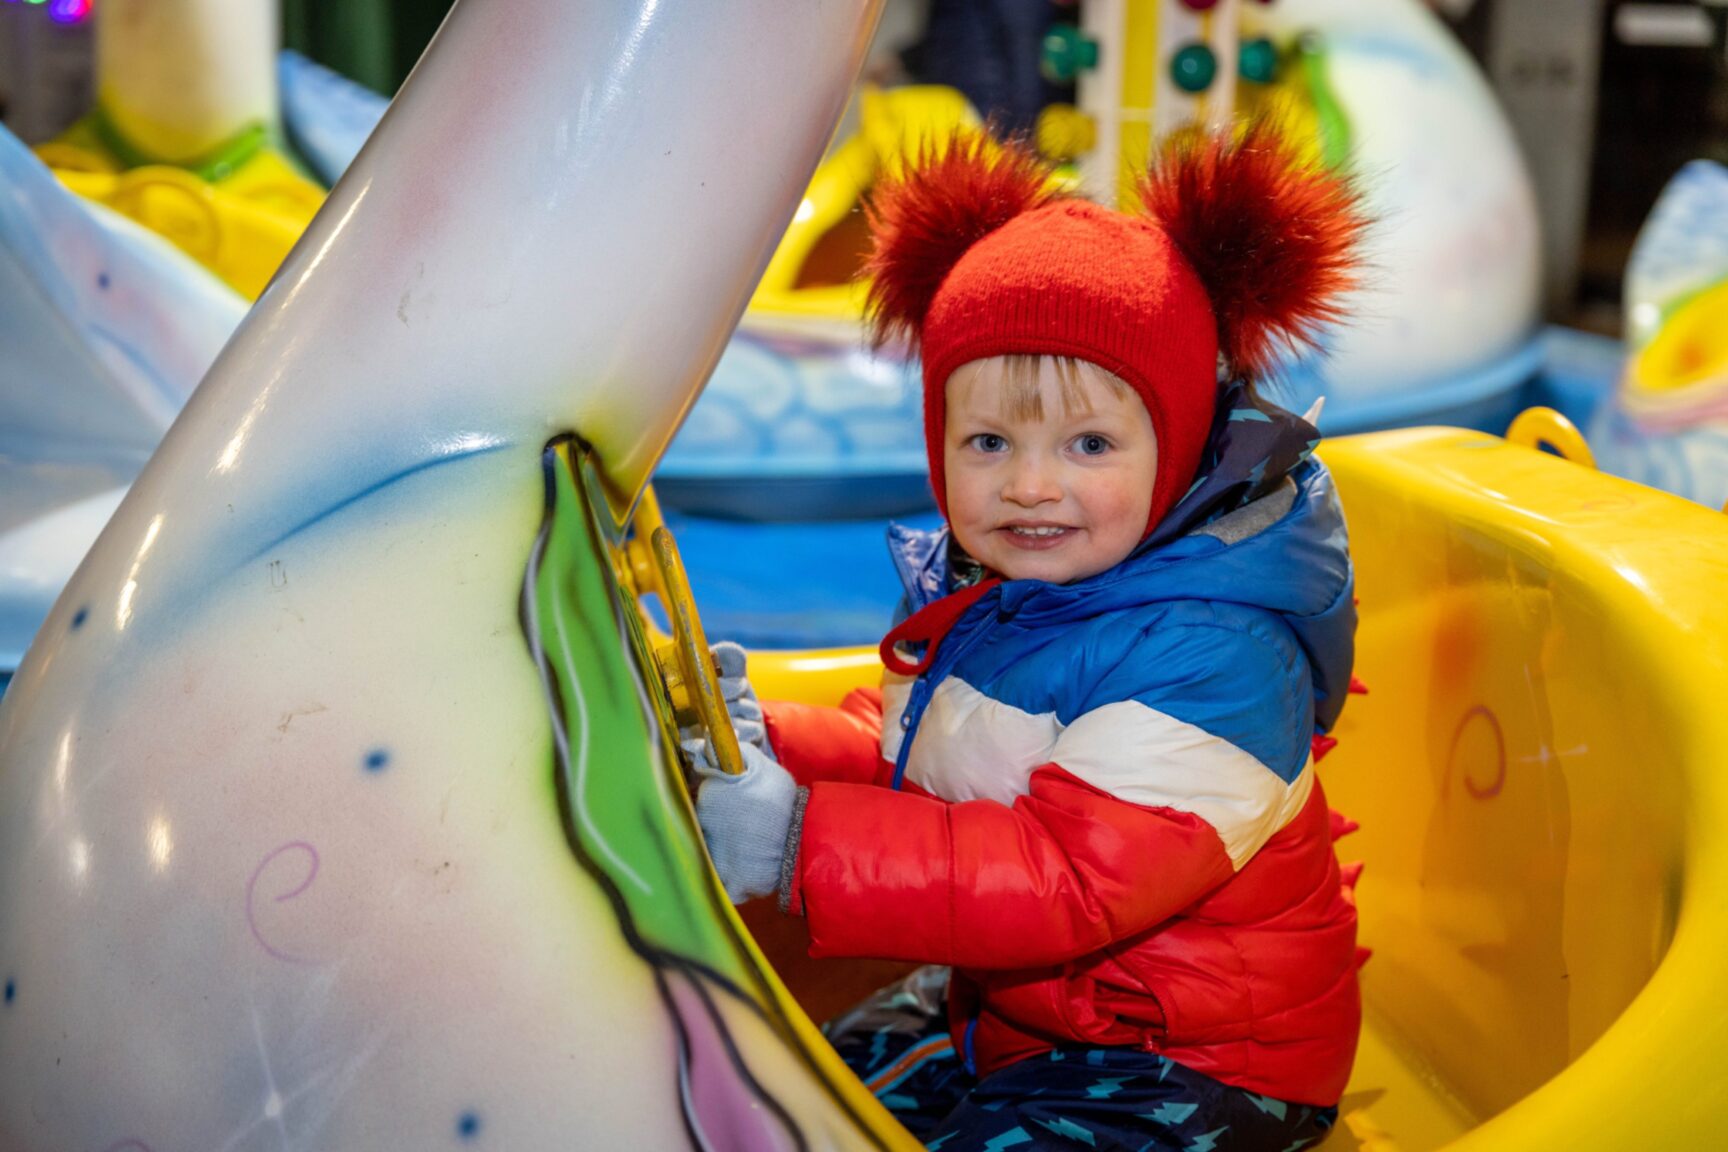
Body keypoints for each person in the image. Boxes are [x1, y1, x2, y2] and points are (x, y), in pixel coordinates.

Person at [685, 117, 1368, 1151]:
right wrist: (759, 743)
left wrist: (791, 840)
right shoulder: (1004, 587)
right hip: (1021, 1020)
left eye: (1090, 441)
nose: (1031, 483)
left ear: (1175, 448)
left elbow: (1068, 879)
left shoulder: (1222, 653)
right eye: (989, 441)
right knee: (772, 1080)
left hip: (1199, 1068)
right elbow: (911, 750)